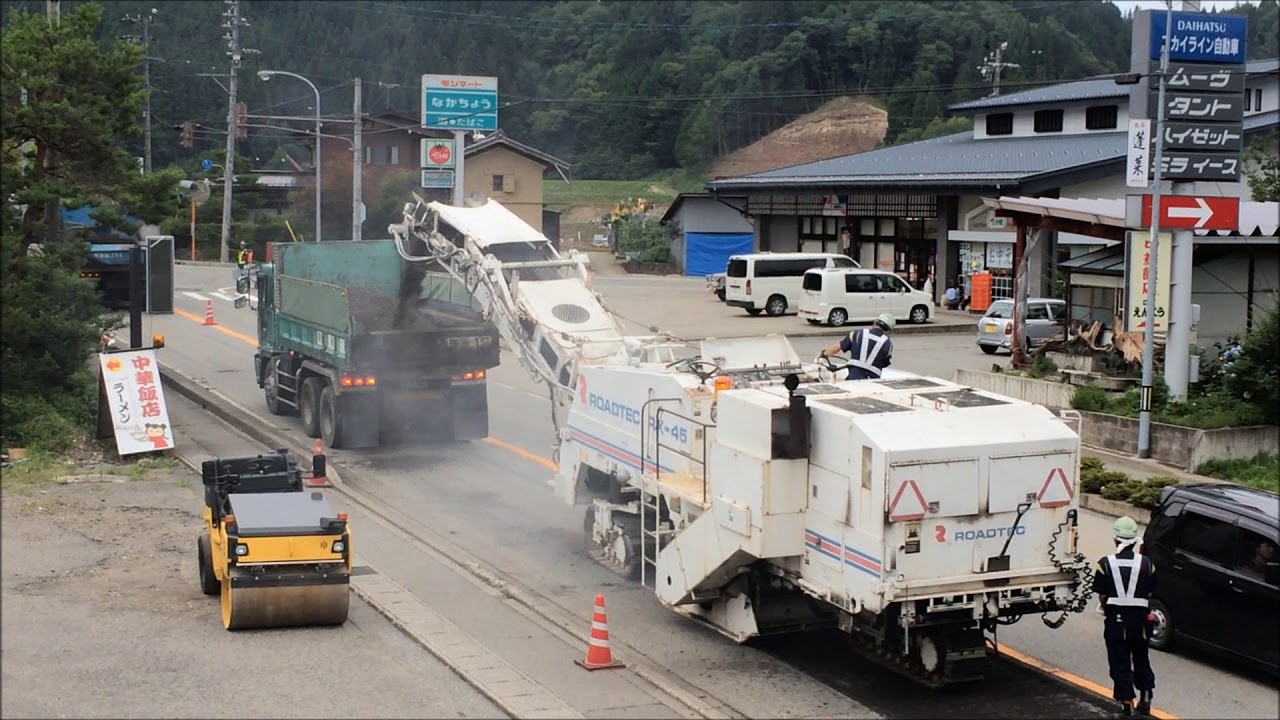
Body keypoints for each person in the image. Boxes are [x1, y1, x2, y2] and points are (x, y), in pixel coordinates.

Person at [1092, 516, 1157, 717]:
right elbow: (1150, 593)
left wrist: (1106, 605)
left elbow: (1102, 594)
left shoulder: (1105, 564)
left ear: (1115, 540)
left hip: (1116, 622)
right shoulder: (1147, 564)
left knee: (1119, 661)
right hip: (1140, 622)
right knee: (1141, 658)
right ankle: (1146, 696)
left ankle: (1126, 702)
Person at [818, 313, 894, 380]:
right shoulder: (888, 344)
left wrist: (824, 354)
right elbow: (885, 363)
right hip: (873, 382)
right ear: (888, 331)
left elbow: (837, 347)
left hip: (854, 377)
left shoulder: (857, 334)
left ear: (875, 322)